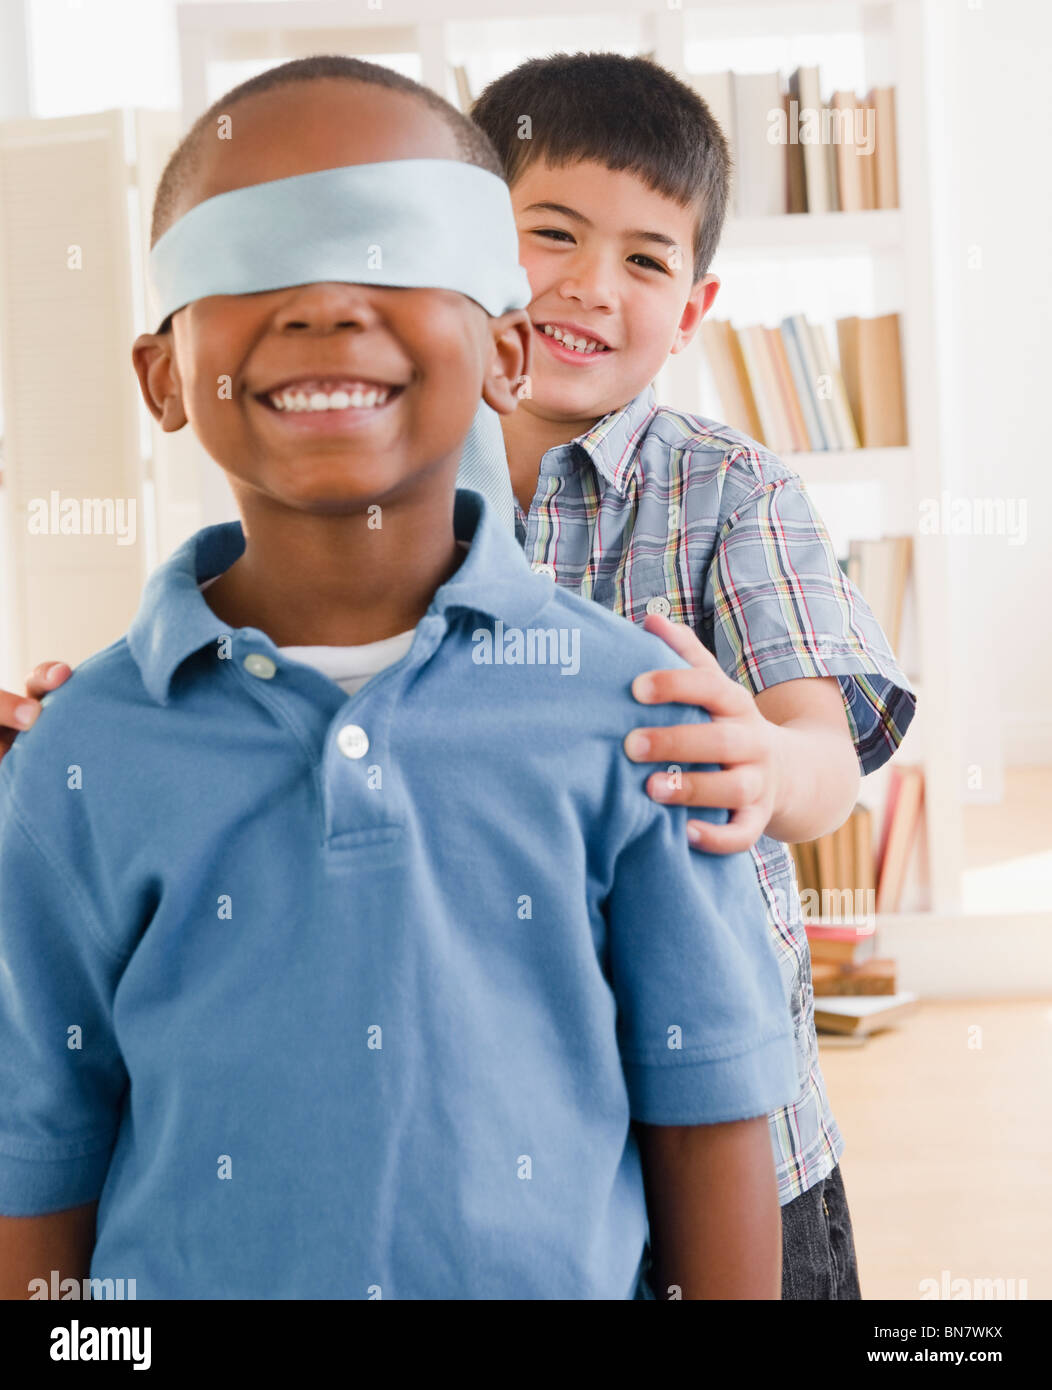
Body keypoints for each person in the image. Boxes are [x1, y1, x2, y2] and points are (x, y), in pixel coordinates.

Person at [0, 60, 800, 1300]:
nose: (326, 302)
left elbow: (704, 1116)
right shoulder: (76, 751)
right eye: (256, 258)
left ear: (504, 351)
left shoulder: (640, 718)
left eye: (393, 251)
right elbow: (39, 1140)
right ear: (163, 375)